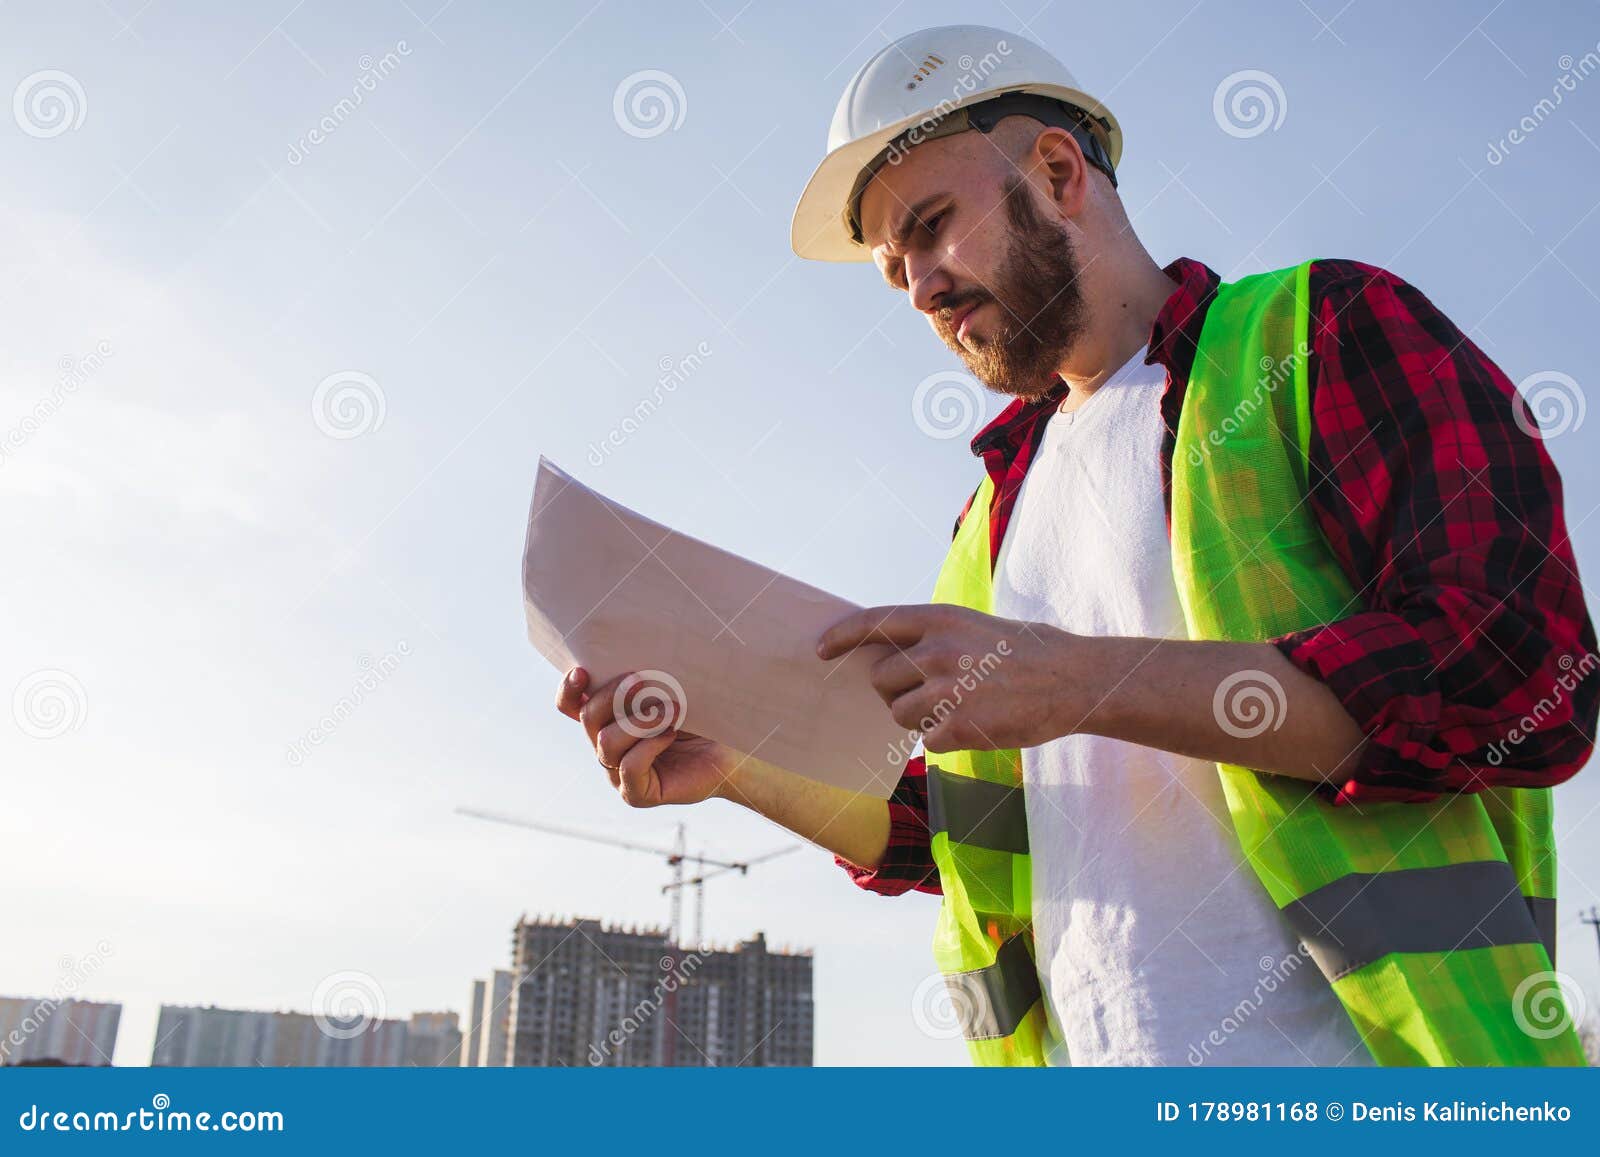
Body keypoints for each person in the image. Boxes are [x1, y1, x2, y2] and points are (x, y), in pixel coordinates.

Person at [556, 25, 1596, 1066]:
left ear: (1055, 172)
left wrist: (1082, 682)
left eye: (931, 226)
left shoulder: (1315, 335)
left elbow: (1519, 672)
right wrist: (736, 765)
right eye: (891, 270)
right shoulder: (988, 521)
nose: (918, 287)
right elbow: (961, 834)